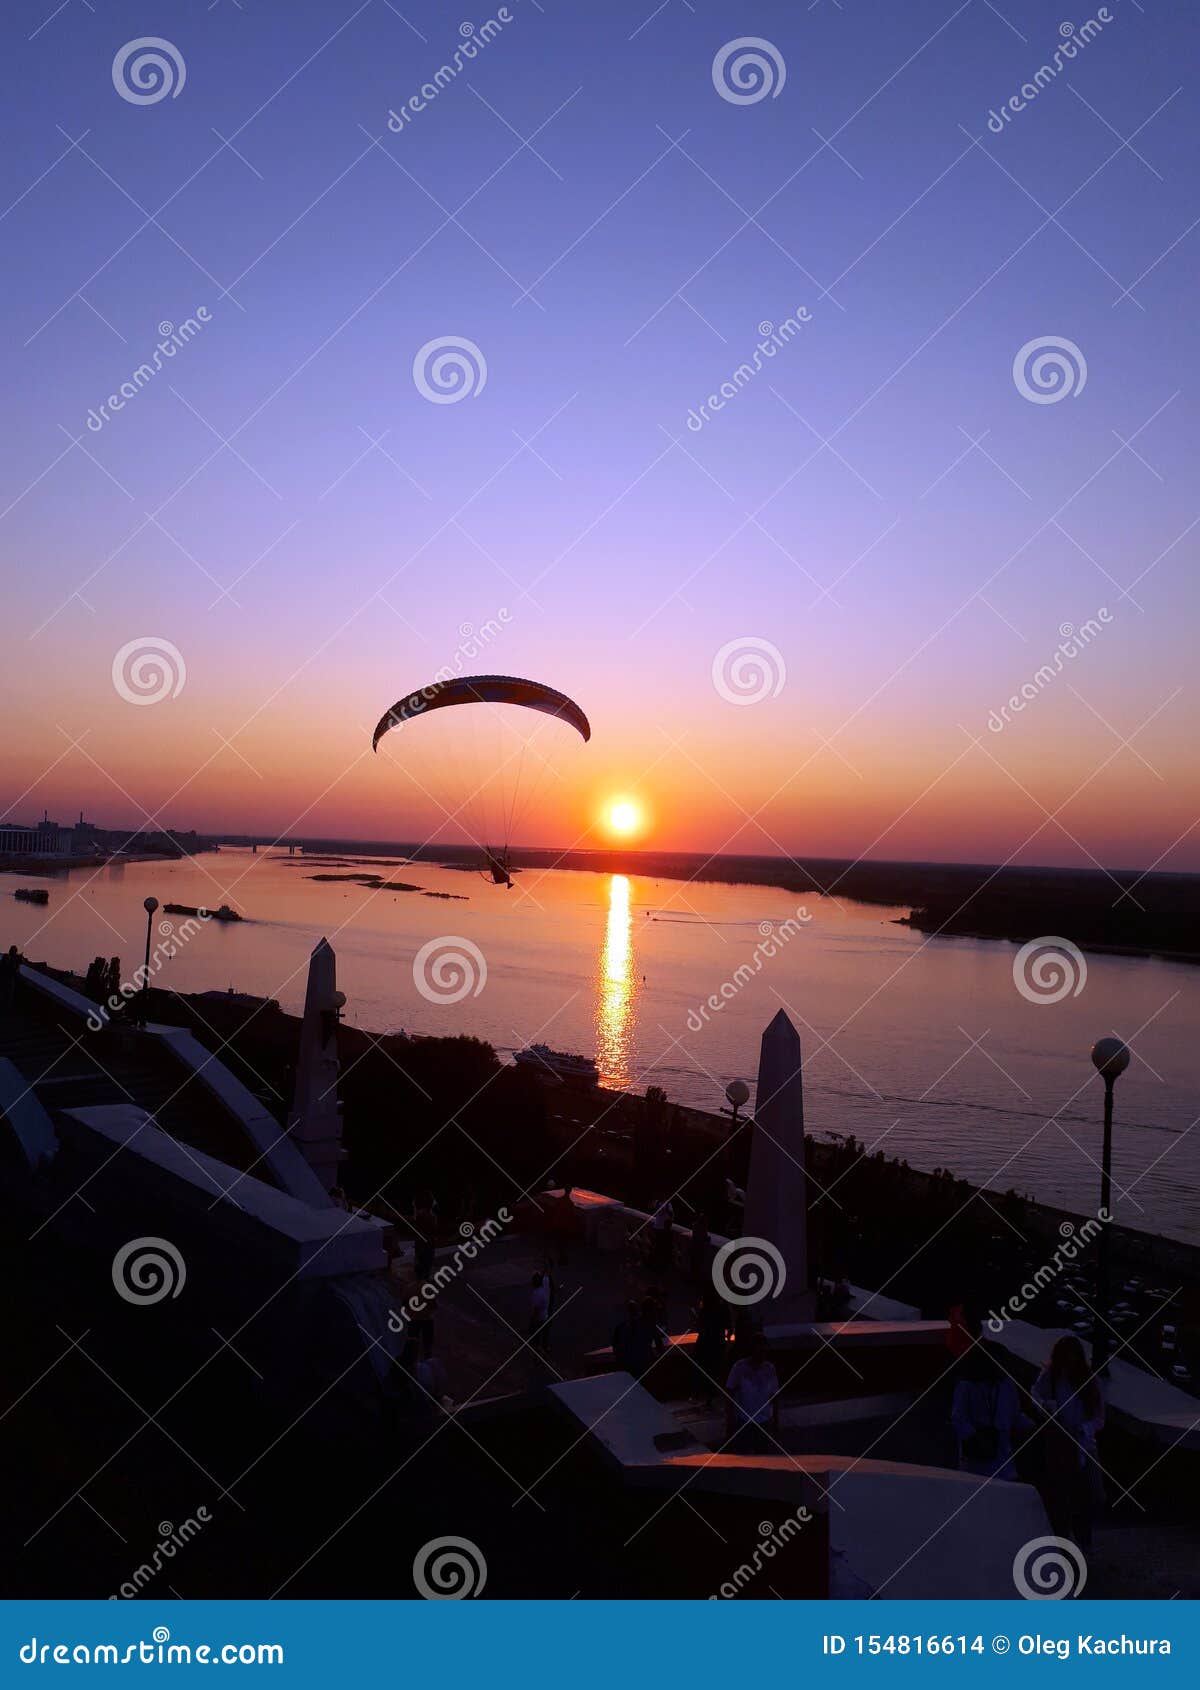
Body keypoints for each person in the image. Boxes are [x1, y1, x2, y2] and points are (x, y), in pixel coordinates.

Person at [1032, 1335, 1105, 1549]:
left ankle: (1082, 1535)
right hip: (1059, 1444)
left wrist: (1083, 1429)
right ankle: (1067, 1540)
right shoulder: (1050, 1377)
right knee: (1062, 1495)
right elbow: (1036, 1396)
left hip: (1084, 1444)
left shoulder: (1090, 1381)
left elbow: (1099, 1417)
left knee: (1094, 1494)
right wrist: (1047, 1408)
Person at [950, 1345, 1023, 1478]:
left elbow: (1015, 1414)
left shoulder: (1007, 1385)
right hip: (976, 1456)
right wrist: (976, 1437)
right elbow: (958, 1418)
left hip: (1002, 1454)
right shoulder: (966, 1386)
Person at [725, 1331, 780, 1454]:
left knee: (762, 1456)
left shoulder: (770, 1368)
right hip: (744, 1420)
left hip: (763, 1421)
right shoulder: (739, 1367)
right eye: (760, 1350)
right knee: (743, 1456)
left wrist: (776, 1420)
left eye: (764, 1351)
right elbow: (729, 1393)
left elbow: (774, 1395)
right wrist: (730, 1419)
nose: (762, 1354)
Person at [693, 1290, 731, 1408]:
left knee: (703, 1370)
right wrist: (726, 1341)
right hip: (717, 1343)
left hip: (705, 1343)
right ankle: (711, 1396)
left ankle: (700, 1394)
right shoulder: (722, 1309)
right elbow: (729, 1326)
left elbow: (699, 1327)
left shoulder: (705, 1311)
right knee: (715, 1370)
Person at [528, 1271, 551, 1354]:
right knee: (543, 1333)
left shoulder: (537, 1294)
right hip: (545, 1316)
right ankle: (544, 1347)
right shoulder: (543, 1291)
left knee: (537, 1334)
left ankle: (539, 1349)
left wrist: (532, 1319)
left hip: (539, 1318)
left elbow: (536, 1309)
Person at [650, 1196, 675, 1274]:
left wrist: (666, 1209)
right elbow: (652, 1210)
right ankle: (656, 1265)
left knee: (660, 1247)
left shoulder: (668, 1204)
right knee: (657, 1246)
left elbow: (672, 1215)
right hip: (657, 1227)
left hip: (663, 1229)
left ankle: (658, 1266)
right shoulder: (657, 1202)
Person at [688, 1212, 711, 1286]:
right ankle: (694, 1280)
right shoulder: (703, 1228)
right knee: (697, 1265)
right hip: (699, 1248)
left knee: (693, 1264)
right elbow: (705, 1238)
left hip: (693, 1247)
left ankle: (691, 1279)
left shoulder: (695, 1225)